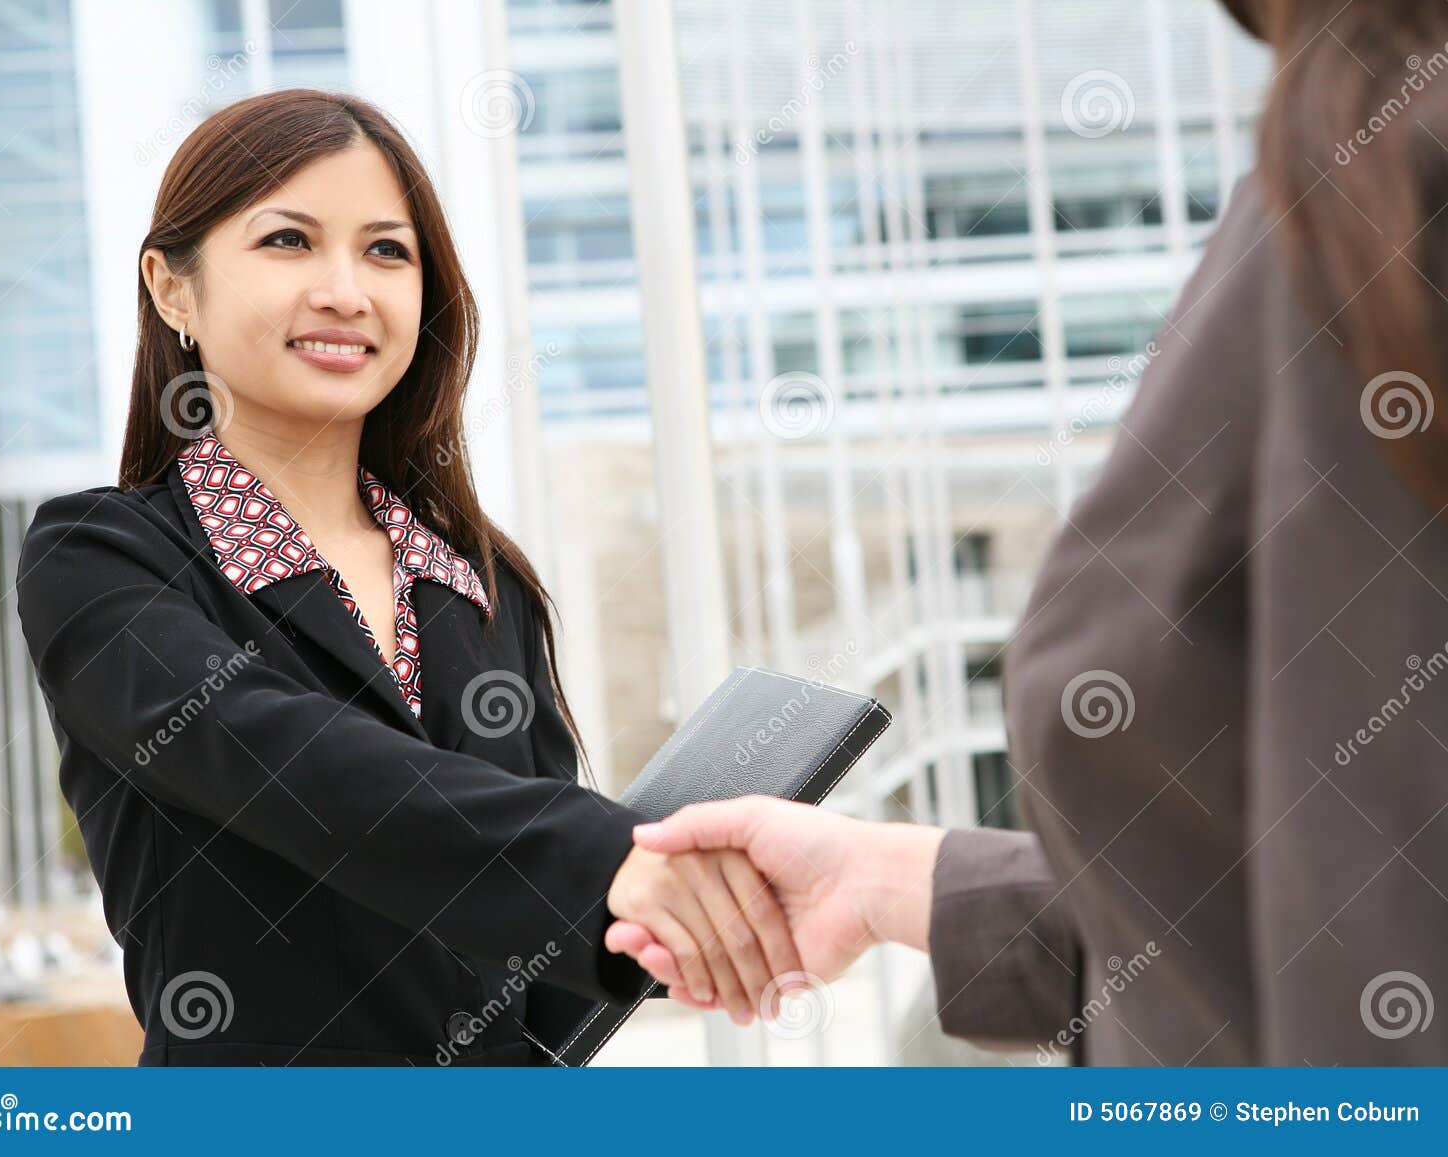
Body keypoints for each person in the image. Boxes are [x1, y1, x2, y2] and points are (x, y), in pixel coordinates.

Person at [605, 0, 1448, 1064]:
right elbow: (1264, 890)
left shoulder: (1391, 179)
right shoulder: (1333, 160)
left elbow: (1379, 907)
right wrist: (889, 880)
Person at [14, 88, 800, 1066]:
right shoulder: (99, 556)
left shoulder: (473, 578)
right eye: (289, 241)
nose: (346, 290)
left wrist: (677, 911)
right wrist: (615, 863)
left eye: (387, 250)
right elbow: (288, 760)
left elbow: (536, 964)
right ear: (173, 289)